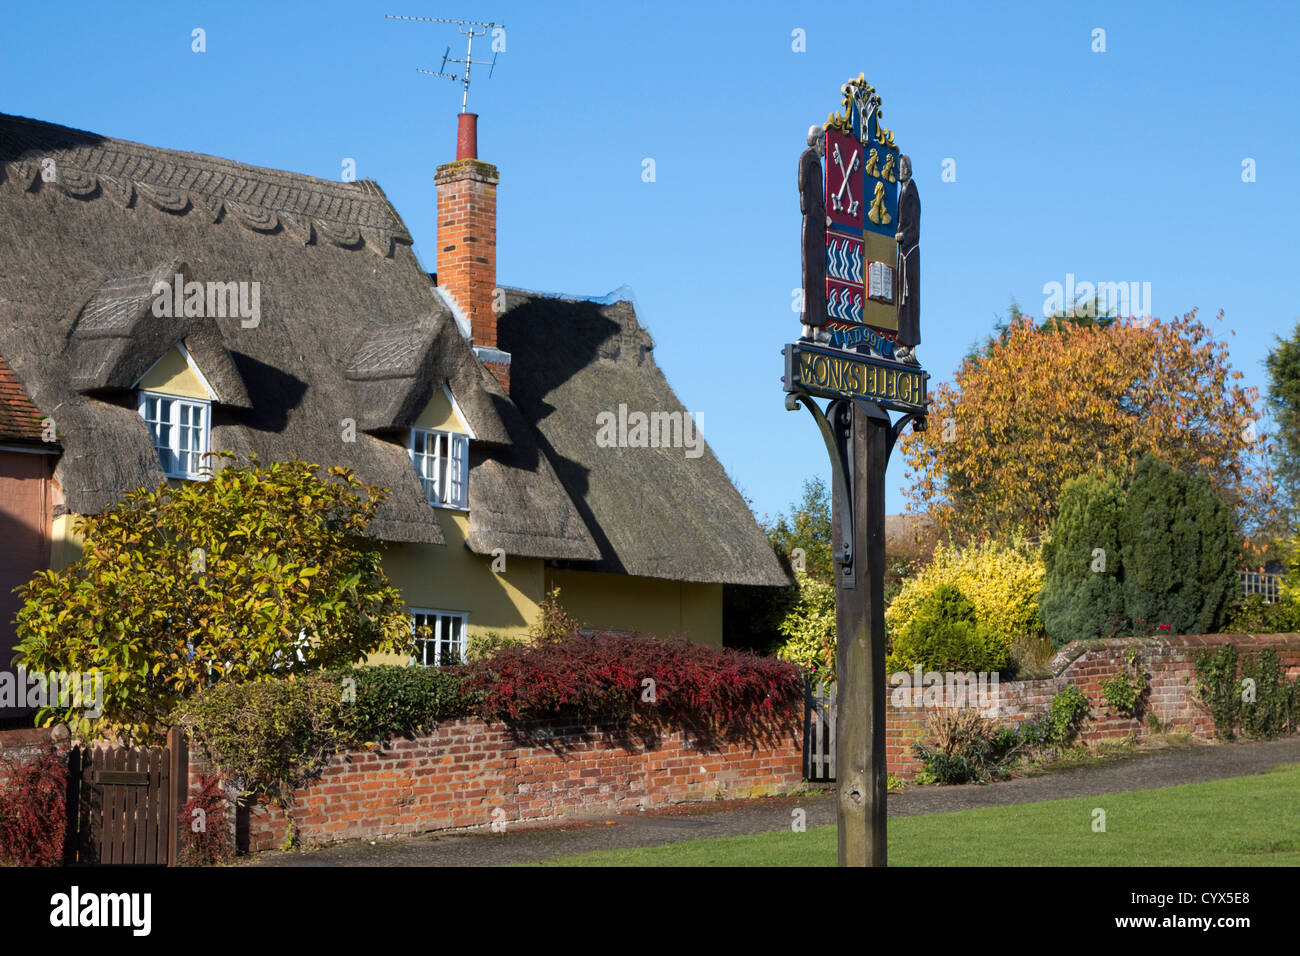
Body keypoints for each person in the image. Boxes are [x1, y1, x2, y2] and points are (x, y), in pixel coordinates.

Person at [799, 125, 831, 342]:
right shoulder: (811, 160)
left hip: (813, 222)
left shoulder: (810, 160)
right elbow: (809, 195)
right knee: (813, 275)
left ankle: (815, 326)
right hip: (813, 223)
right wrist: (822, 216)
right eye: (824, 143)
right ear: (818, 140)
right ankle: (811, 325)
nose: (825, 148)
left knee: (815, 274)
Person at [893, 154, 920, 365]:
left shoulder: (911, 191)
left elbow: (914, 225)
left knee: (909, 299)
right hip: (902, 252)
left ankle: (912, 347)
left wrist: (905, 235)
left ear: (908, 170)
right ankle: (903, 343)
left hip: (910, 252)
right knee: (901, 298)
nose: (899, 171)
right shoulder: (902, 192)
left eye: (902, 168)